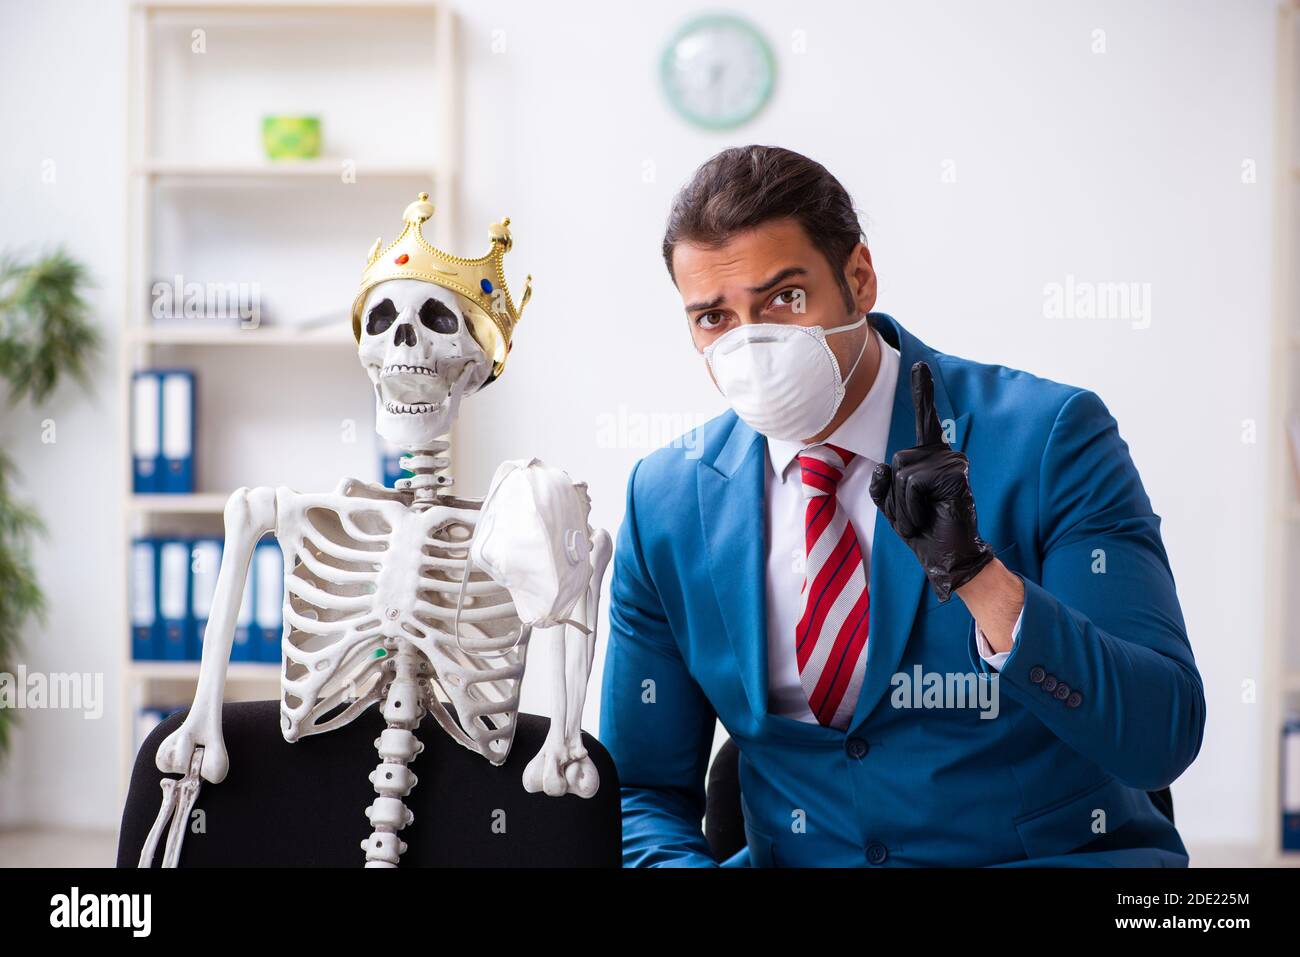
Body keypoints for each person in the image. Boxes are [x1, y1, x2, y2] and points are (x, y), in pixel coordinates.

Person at [598, 145, 1204, 867]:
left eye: (784, 299)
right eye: (713, 319)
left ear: (859, 278)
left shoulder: (1049, 436)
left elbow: (1161, 734)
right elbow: (642, 792)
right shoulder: (666, 499)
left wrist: (984, 580)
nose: (750, 344)